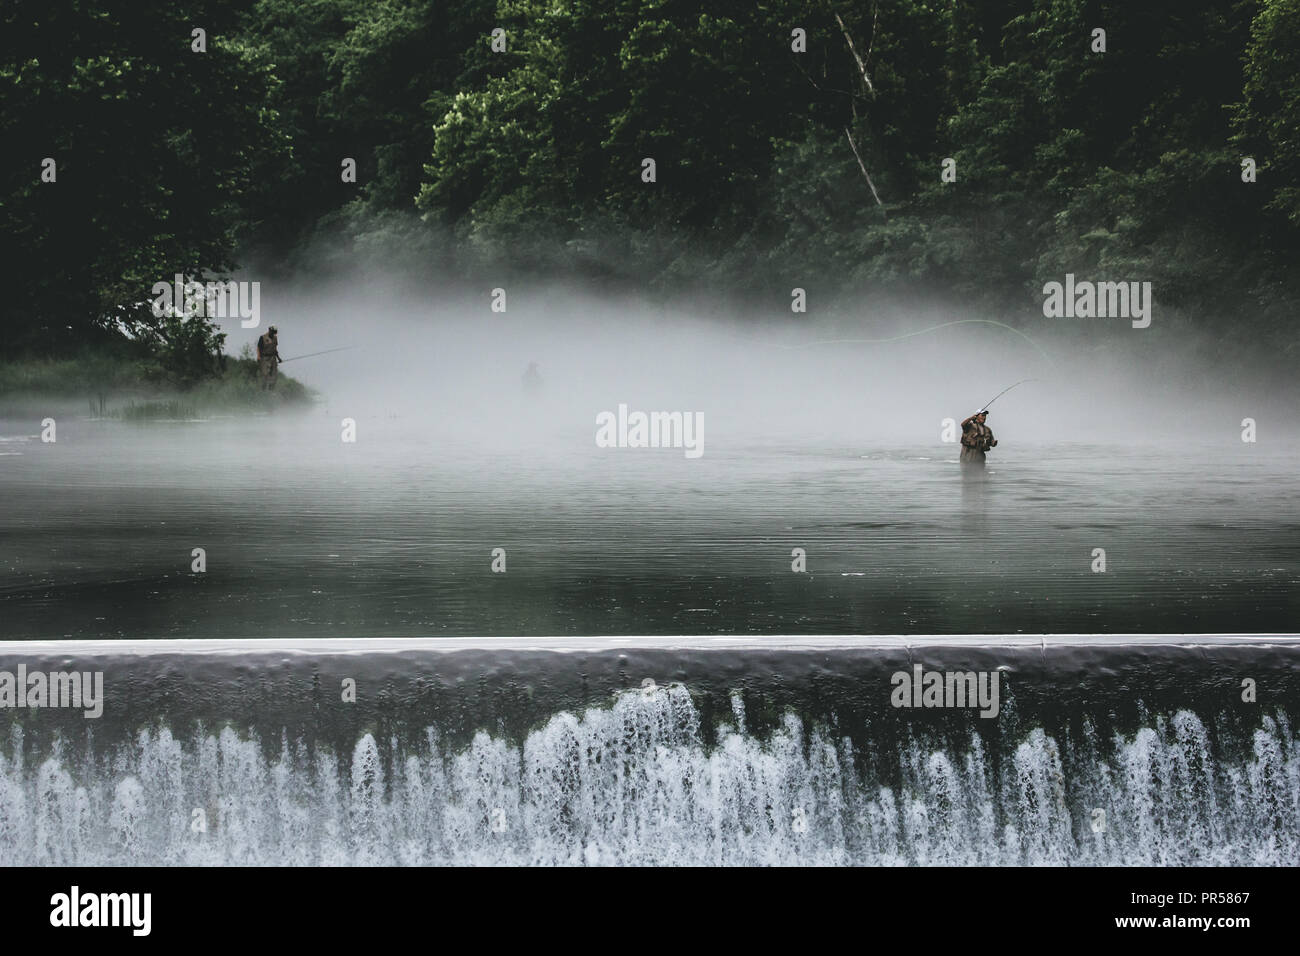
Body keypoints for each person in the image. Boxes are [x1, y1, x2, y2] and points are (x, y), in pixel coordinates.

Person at [256, 326, 281, 390]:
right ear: (269, 330)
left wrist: (278, 358)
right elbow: (258, 348)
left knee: (274, 374)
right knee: (265, 374)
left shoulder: (275, 338)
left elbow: (275, 349)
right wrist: (258, 356)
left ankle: (271, 390)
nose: (274, 333)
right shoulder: (263, 337)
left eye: (275, 332)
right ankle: (263, 389)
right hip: (264, 357)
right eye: (273, 332)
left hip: (273, 357)